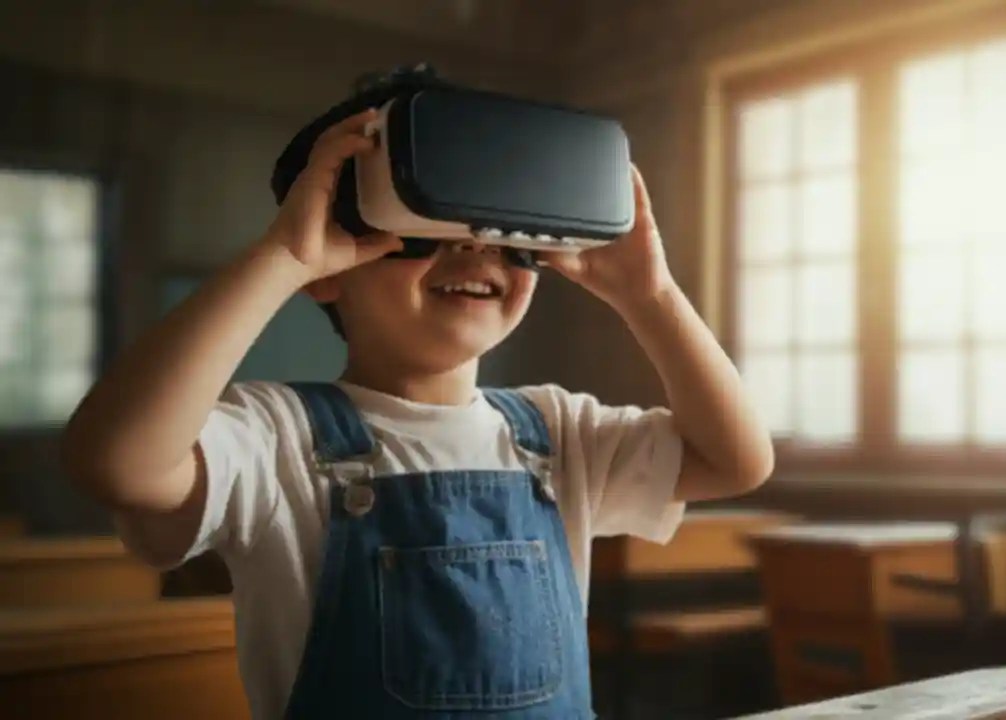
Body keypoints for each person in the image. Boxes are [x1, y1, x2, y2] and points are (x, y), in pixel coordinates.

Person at [62, 80, 774, 719]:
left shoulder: (559, 432)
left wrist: (649, 295)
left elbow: (735, 460)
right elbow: (119, 463)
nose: (475, 255)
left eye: (507, 240)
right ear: (332, 265)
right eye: (427, 230)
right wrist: (282, 259)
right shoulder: (276, 437)